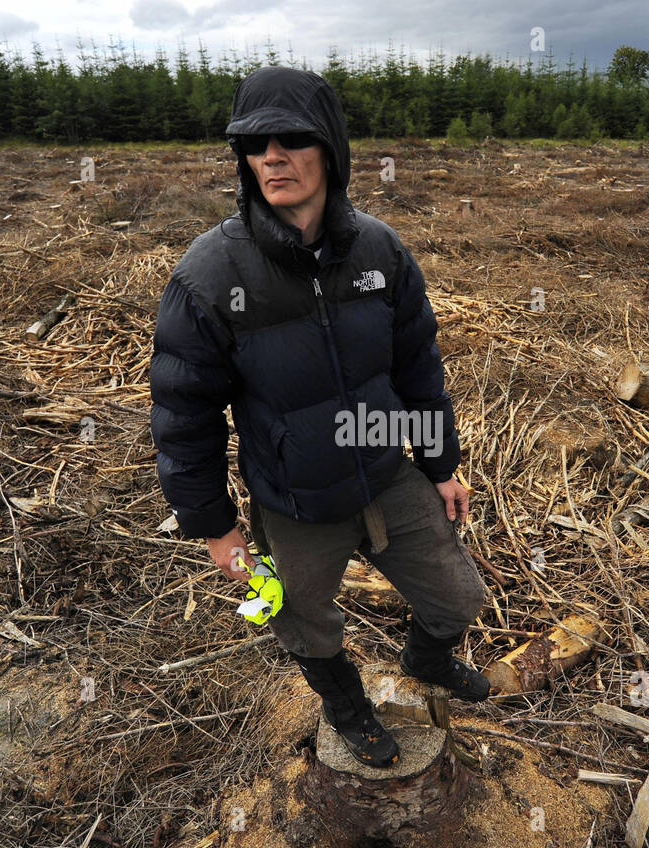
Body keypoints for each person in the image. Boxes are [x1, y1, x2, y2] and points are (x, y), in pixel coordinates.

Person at [150, 66, 490, 768]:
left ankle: (426, 663)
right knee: (306, 625)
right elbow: (183, 416)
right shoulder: (210, 276)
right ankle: (348, 708)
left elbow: (418, 364)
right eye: (254, 143)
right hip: (296, 497)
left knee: (458, 599)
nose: (272, 156)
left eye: (292, 138)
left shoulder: (379, 252)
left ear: (329, 147)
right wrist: (216, 526)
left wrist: (440, 464)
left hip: (384, 472)